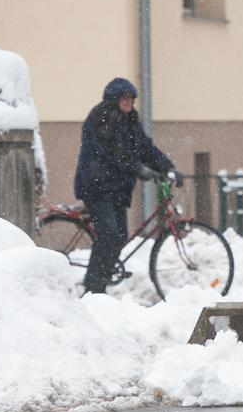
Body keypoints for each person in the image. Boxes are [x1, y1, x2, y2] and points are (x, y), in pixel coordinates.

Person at [73, 77, 181, 294]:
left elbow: (146, 149)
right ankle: (94, 288)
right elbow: (112, 152)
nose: (129, 102)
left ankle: (100, 278)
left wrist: (167, 168)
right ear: (113, 99)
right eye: (124, 98)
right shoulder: (102, 117)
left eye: (132, 98)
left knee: (120, 236)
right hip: (97, 187)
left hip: (116, 190)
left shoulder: (130, 121)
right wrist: (138, 168)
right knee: (109, 234)